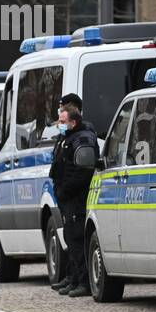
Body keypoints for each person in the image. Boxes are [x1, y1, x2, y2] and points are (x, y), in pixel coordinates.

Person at [48, 104, 99, 297]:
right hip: (66, 197)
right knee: (70, 237)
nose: (59, 125)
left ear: (73, 122)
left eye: (62, 122)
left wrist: (65, 189)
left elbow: (81, 171)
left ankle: (84, 282)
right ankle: (74, 278)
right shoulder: (68, 137)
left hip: (76, 197)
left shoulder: (83, 138)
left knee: (77, 239)